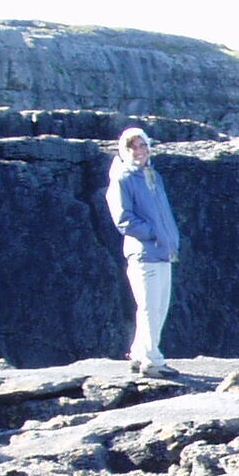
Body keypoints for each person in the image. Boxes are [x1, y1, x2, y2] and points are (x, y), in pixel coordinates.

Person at [105, 127, 181, 375]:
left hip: (163, 253)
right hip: (143, 254)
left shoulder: (152, 176)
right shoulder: (123, 178)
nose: (139, 151)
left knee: (159, 306)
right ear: (125, 151)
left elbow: (162, 214)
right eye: (133, 147)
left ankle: (140, 353)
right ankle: (152, 361)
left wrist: (169, 240)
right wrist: (154, 234)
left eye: (142, 145)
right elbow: (123, 219)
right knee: (149, 306)